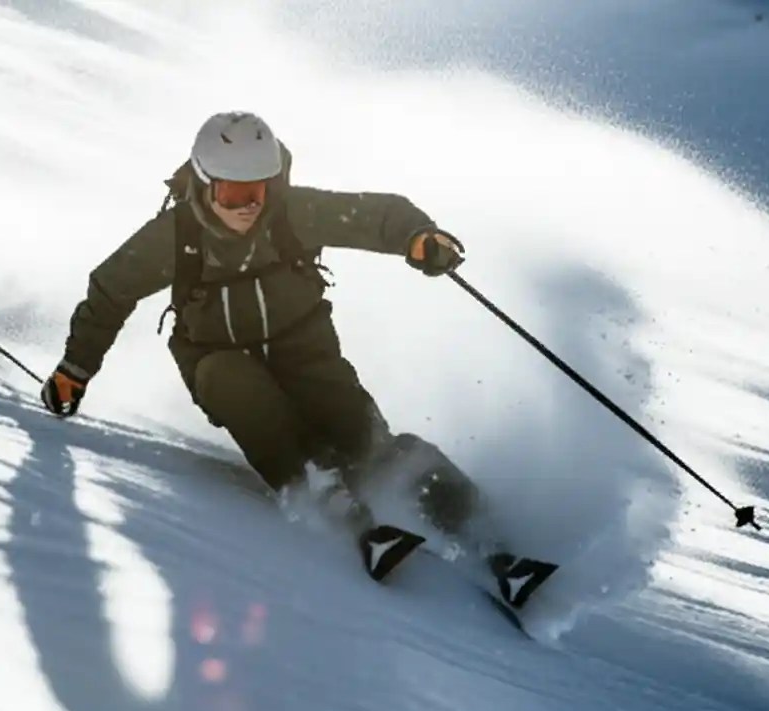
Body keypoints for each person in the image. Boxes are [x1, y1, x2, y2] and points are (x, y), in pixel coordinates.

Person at [41, 111, 474, 531]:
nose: (248, 206)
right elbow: (110, 291)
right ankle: (313, 486)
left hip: (307, 355)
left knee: (364, 441)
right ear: (206, 185)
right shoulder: (176, 236)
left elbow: (378, 215)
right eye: (233, 194)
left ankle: (474, 522)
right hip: (220, 358)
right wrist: (74, 371)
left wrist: (419, 237)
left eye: (258, 192)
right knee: (233, 383)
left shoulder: (293, 213)